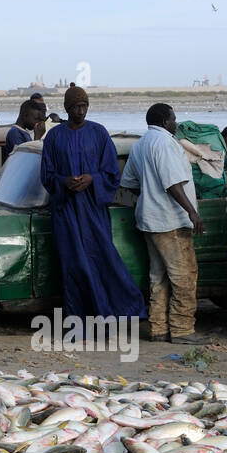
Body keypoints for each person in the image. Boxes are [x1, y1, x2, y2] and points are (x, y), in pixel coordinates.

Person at [39, 85, 146, 322]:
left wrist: (91, 179)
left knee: (102, 259)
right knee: (73, 265)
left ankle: (116, 314)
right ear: (67, 109)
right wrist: (64, 181)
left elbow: (111, 175)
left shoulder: (99, 133)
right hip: (66, 211)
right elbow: (47, 175)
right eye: (76, 107)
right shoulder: (55, 137)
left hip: (93, 210)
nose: (81, 111)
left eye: (84, 106)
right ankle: (79, 322)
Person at [120, 103, 206, 343]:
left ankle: (158, 328)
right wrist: (192, 212)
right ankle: (182, 329)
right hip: (171, 221)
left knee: (158, 277)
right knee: (184, 276)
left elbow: (128, 182)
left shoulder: (140, 144)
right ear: (165, 121)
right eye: (174, 119)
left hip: (149, 220)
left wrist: (150, 193)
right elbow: (172, 184)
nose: (176, 123)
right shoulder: (166, 143)